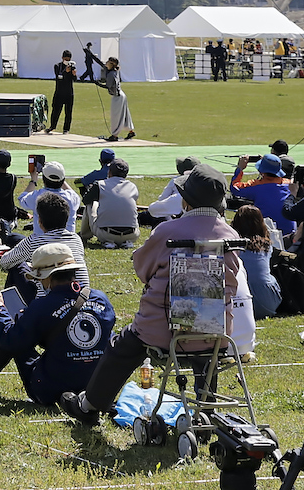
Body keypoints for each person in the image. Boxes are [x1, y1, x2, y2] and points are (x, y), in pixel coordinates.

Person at [62, 164, 242, 426]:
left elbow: (142, 270)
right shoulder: (231, 236)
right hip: (215, 331)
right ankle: (206, 408)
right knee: (206, 346)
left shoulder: (167, 232)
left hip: (163, 330)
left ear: (185, 201)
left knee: (122, 348)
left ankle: (89, 406)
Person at [0, 241, 117, 403]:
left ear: (48, 277)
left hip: (50, 391)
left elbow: (11, 341)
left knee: (17, 337)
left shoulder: (43, 306)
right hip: (96, 388)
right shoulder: (101, 299)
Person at [0, 192, 88, 302]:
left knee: (18, 266)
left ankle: (9, 305)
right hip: (81, 297)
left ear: (40, 221)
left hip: (47, 299)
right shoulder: (76, 239)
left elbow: (5, 262)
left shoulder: (34, 240)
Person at [232, 207, 281, 319]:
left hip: (240, 302)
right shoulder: (266, 246)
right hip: (269, 303)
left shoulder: (233, 248)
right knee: (270, 277)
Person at [231, 154, 295, 241]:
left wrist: (240, 168)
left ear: (261, 170)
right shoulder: (290, 184)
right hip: (290, 234)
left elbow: (234, 187)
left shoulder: (256, 185)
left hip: (267, 234)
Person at [82, 158, 139, 249]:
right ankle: (126, 241)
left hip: (107, 234)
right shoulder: (132, 186)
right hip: (132, 234)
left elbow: (86, 200)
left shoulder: (100, 184)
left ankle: (84, 235)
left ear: (109, 172)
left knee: (90, 204)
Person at [19, 161, 82, 231]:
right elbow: (72, 193)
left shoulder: (36, 196)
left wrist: (33, 180)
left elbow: (22, 199)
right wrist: (58, 175)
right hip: (68, 238)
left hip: (42, 238)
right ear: (63, 179)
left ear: (43, 179)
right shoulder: (72, 198)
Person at [48, 50, 76, 133]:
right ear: (62, 58)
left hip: (69, 93)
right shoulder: (57, 66)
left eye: (69, 59)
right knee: (56, 110)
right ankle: (52, 126)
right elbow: (59, 77)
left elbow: (74, 79)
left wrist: (74, 74)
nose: (67, 61)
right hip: (59, 92)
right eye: (66, 59)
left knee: (68, 112)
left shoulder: (72, 67)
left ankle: (66, 129)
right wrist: (65, 72)